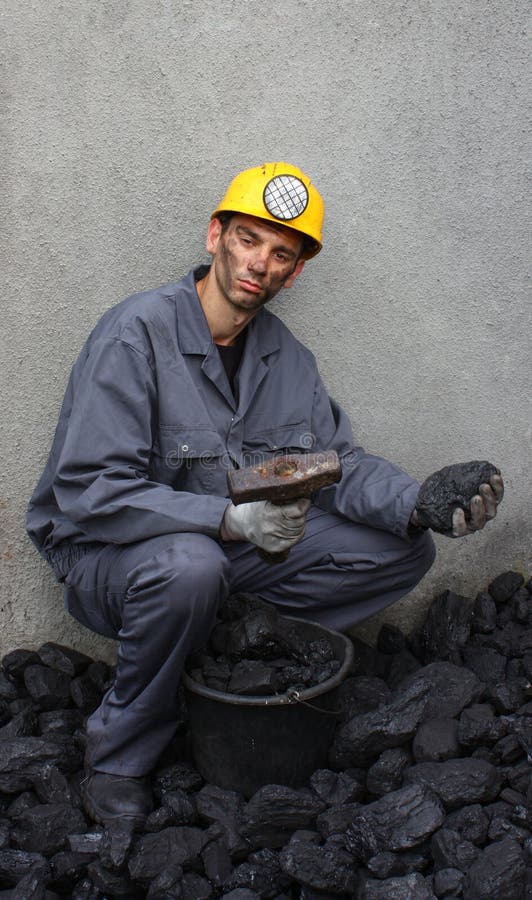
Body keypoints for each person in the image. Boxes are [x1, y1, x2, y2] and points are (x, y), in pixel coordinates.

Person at [27, 162, 503, 829]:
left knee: (402, 549)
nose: (261, 263)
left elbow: (337, 465)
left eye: (282, 253)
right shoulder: (134, 334)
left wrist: (417, 501)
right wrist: (224, 518)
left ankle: (234, 642)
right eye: (249, 239)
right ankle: (120, 754)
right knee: (190, 567)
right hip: (111, 559)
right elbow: (90, 492)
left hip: (223, 561)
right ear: (215, 234)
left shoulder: (287, 360)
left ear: (295, 272)